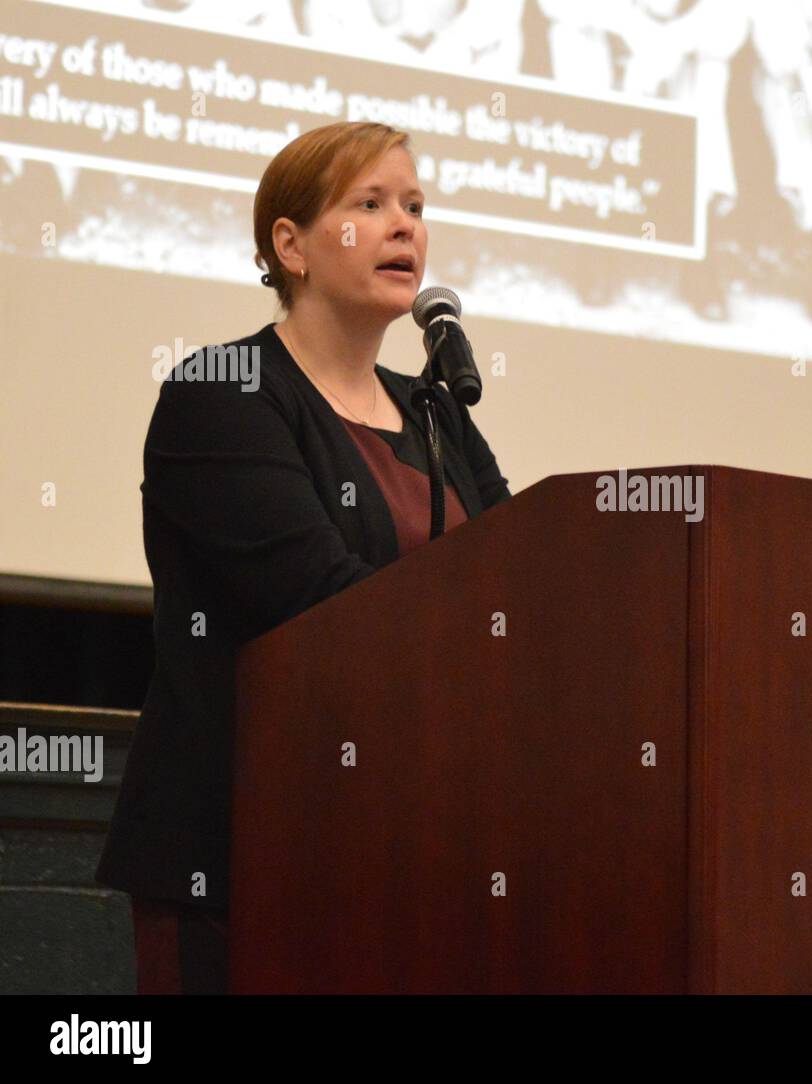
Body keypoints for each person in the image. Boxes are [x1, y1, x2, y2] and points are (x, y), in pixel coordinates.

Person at [94, 121, 511, 994]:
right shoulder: (223, 394)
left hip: (406, 849)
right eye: (370, 204)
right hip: (244, 852)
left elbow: (519, 575)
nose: (405, 226)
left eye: (415, 206)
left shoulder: (436, 414)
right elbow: (316, 600)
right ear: (291, 245)